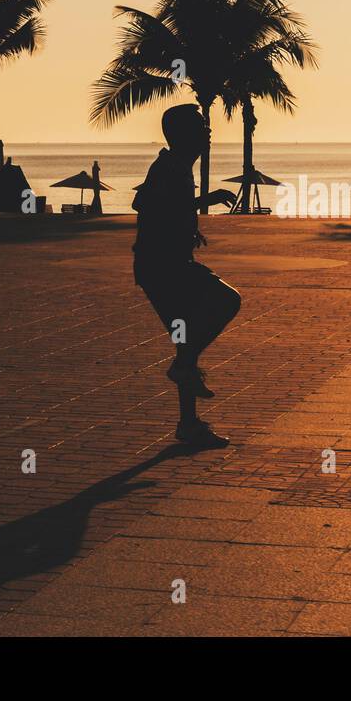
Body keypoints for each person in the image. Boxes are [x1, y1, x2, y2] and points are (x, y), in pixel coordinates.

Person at [132, 104, 240, 449]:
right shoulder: (169, 166)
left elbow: (163, 209)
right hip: (162, 267)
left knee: (185, 341)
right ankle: (182, 368)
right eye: (199, 126)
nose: (207, 131)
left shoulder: (179, 166)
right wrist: (199, 202)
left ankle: (188, 424)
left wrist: (187, 228)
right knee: (226, 300)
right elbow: (144, 204)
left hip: (165, 264)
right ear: (180, 134)